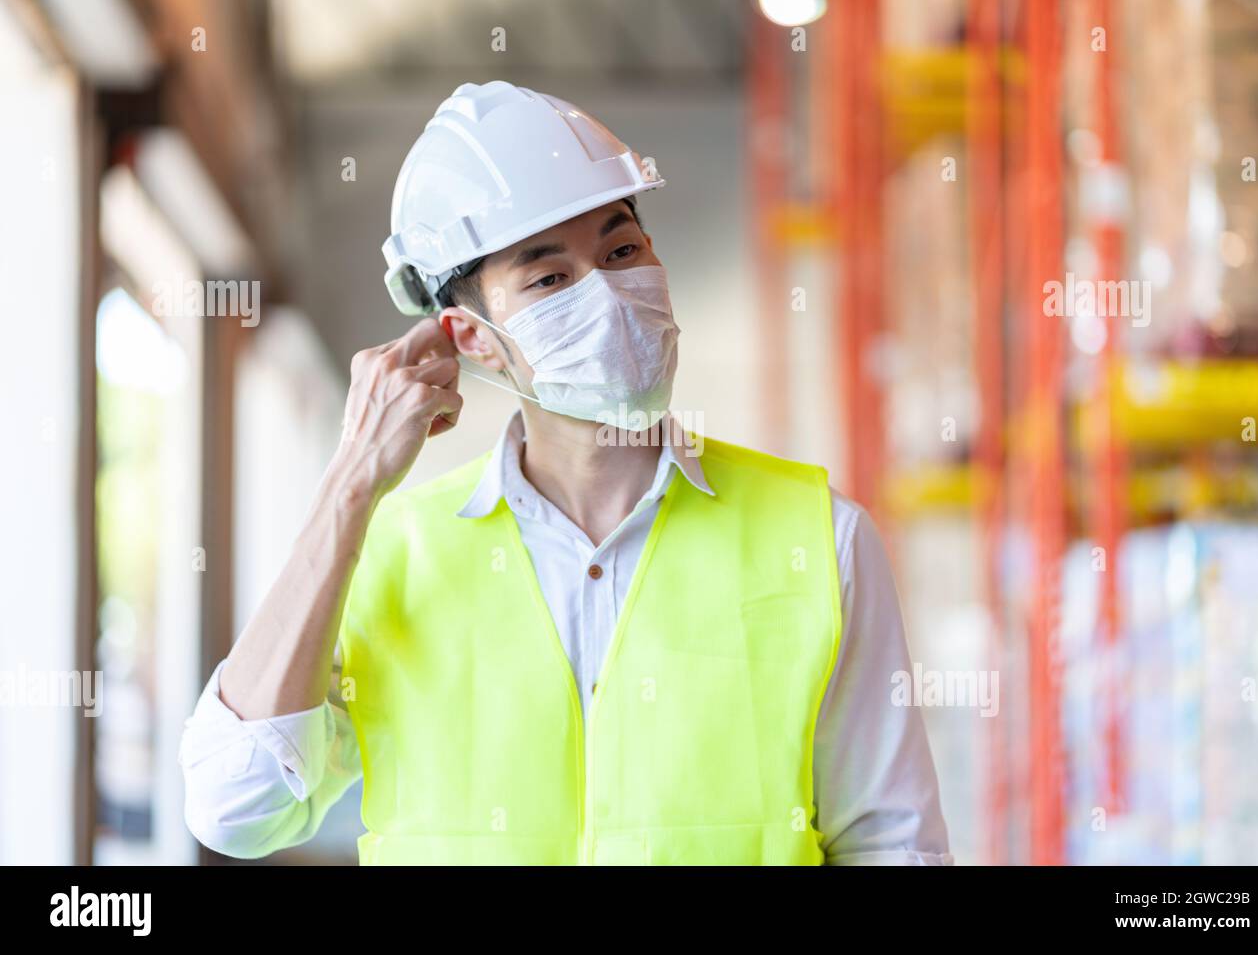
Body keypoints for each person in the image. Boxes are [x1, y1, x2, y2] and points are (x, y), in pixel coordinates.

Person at [180, 80, 952, 866]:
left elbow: (891, 845)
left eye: (621, 251)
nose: (610, 295)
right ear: (472, 338)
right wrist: (351, 483)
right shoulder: (389, 557)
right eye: (549, 278)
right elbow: (236, 805)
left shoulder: (819, 538)